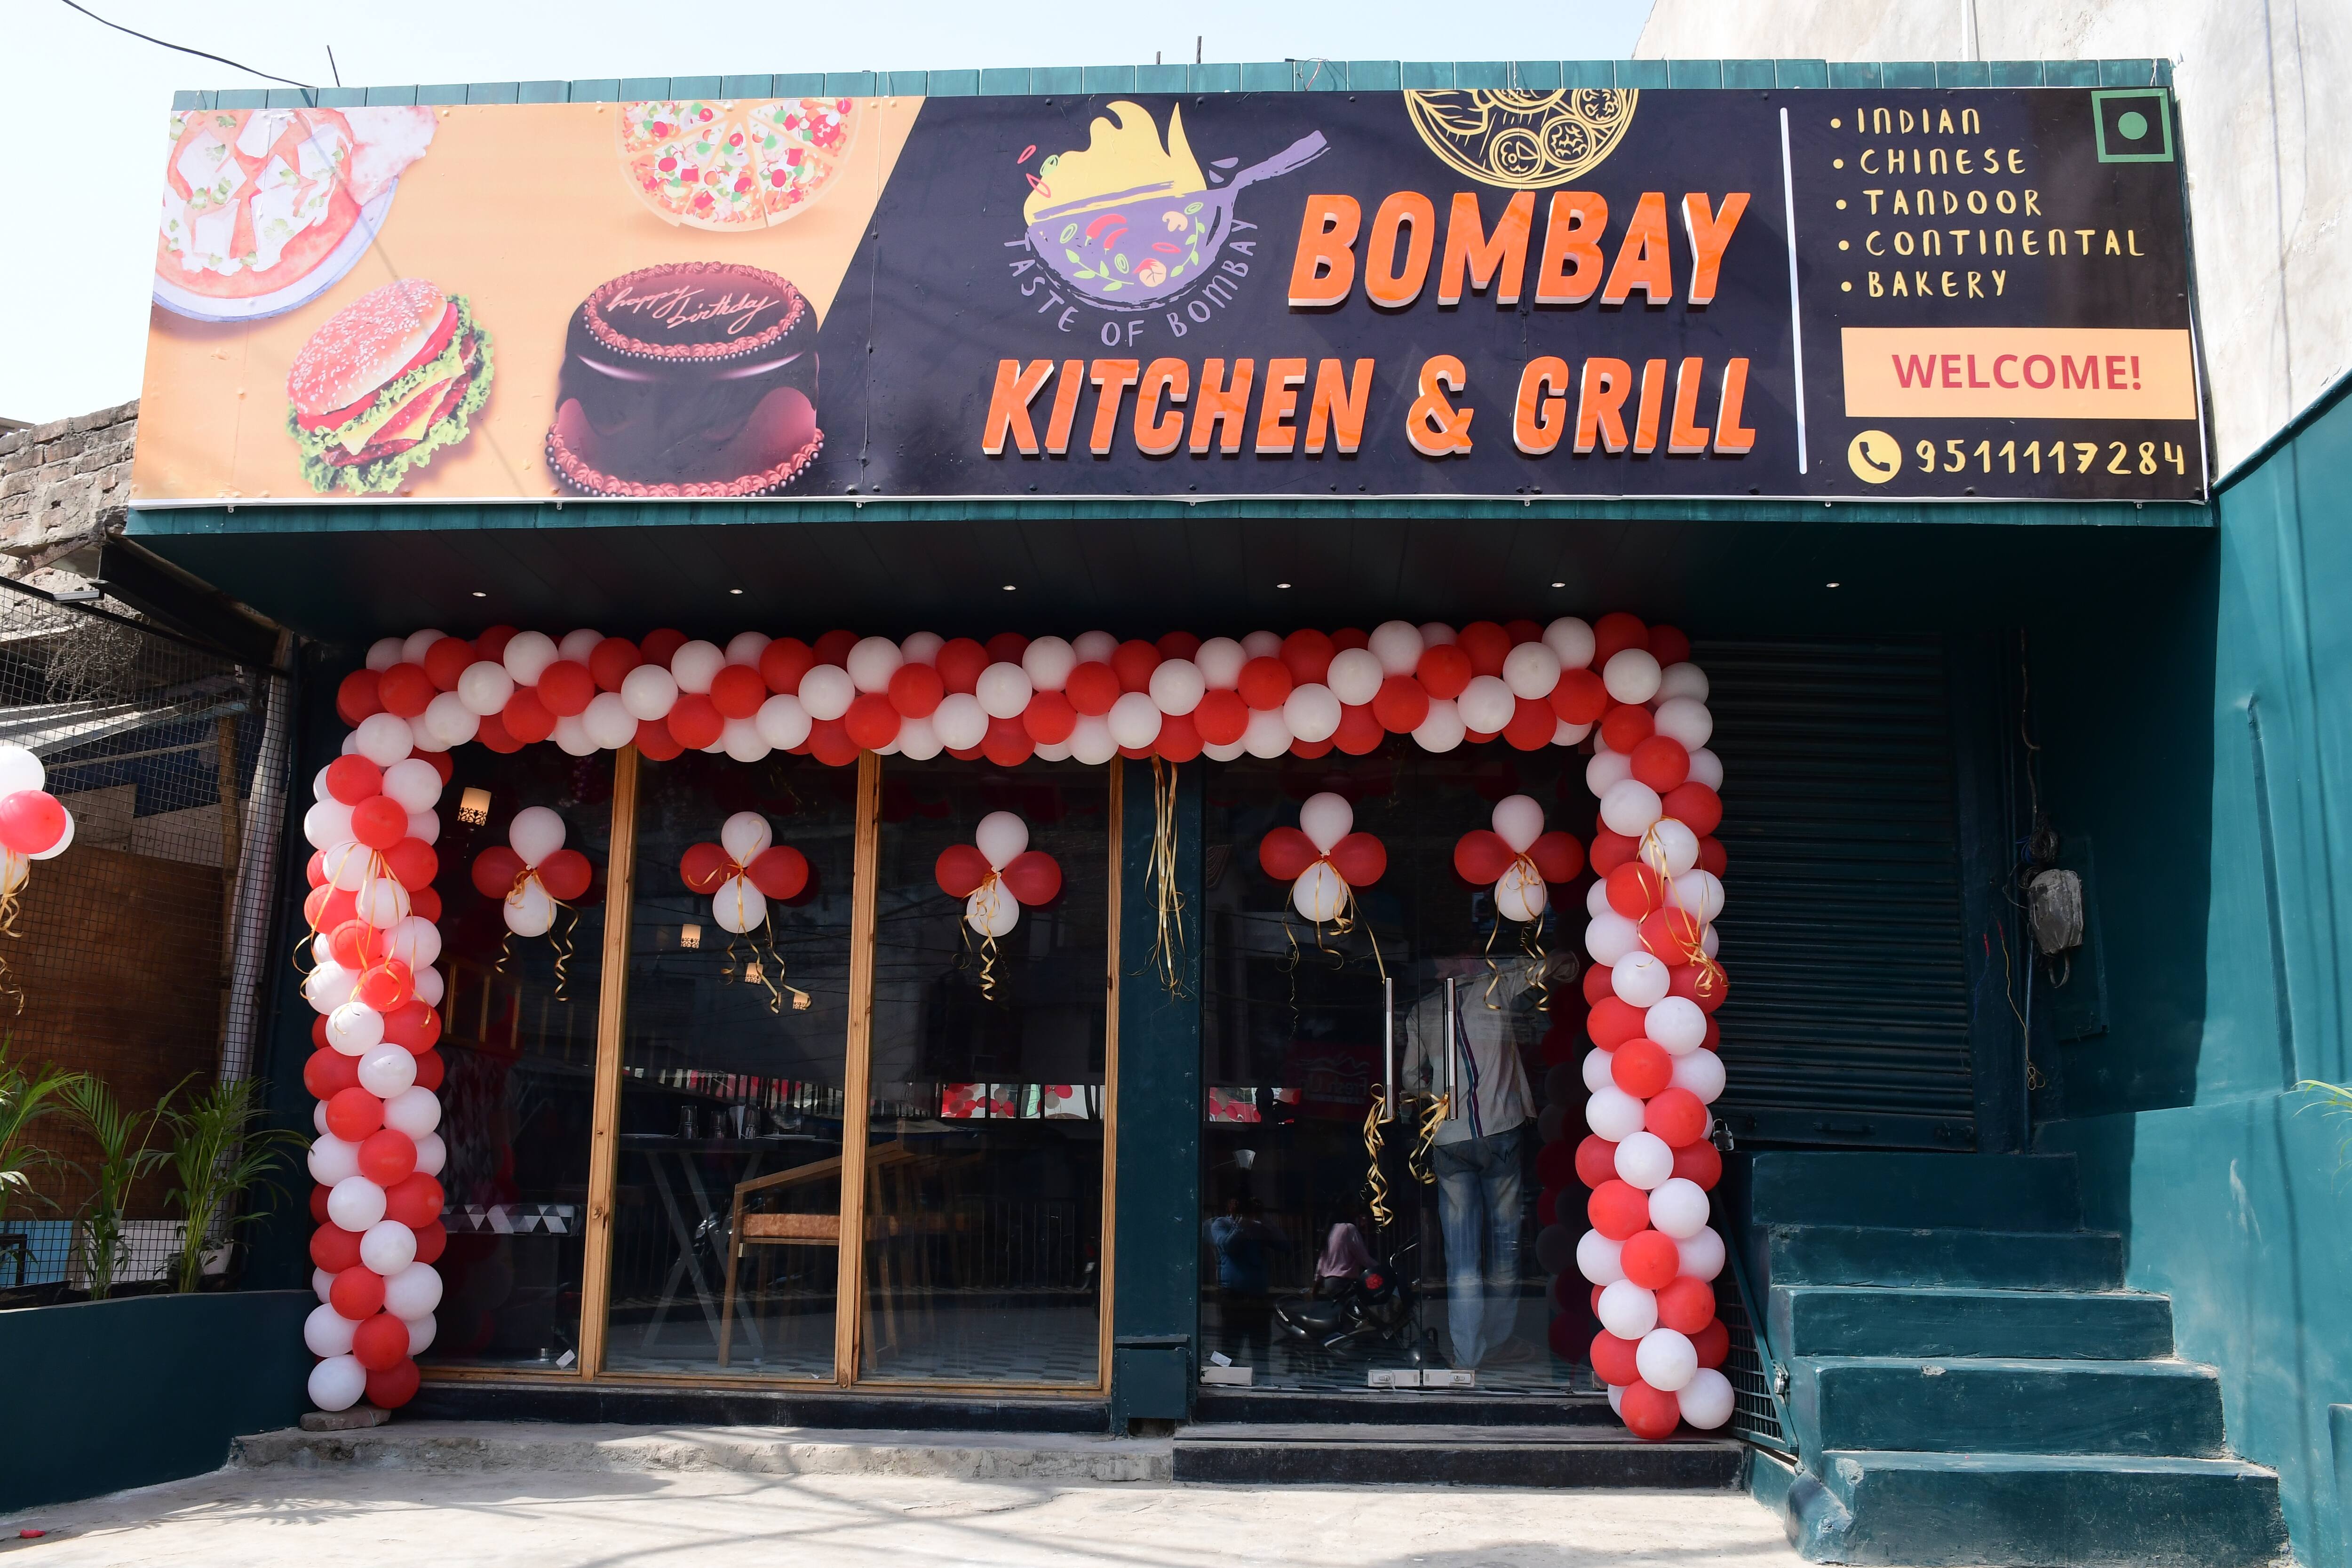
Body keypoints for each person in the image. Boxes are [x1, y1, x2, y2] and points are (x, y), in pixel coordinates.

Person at [1400, 955, 1556, 1369]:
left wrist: (1439, 1093)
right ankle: (1499, 1341)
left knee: (1463, 1257)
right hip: (1500, 1131)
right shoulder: (1496, 986)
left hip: (1449, 1139)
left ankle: (1467, 1357)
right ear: (1468, 966)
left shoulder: (1422, 1010)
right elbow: (1549, 966)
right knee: (1504, 1244)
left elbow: (1410, 1080)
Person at [1206, 1196, 1287, 1363]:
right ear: (1231, 1208)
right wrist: (1241, 1226)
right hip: (1234, 1297)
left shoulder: (1259, 1228)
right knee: (1229, 1350)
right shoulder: (1221, 1224)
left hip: (1259, 1298)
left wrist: (1265, 1221)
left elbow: (1284, 1245)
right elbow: (1227, 1247)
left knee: (1261, 1352)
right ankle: (1223, 1383)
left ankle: (1263, 1382)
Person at [1314, 1203, 1378, 1296]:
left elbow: (1322, 1261)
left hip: (1329, 1283)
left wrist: (1317, 1285)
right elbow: (1364, 1258)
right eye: (1353, 1206)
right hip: (1343, 1283)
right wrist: (1381, 1269)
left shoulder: (1332, 1228)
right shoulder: (1349, 1229)